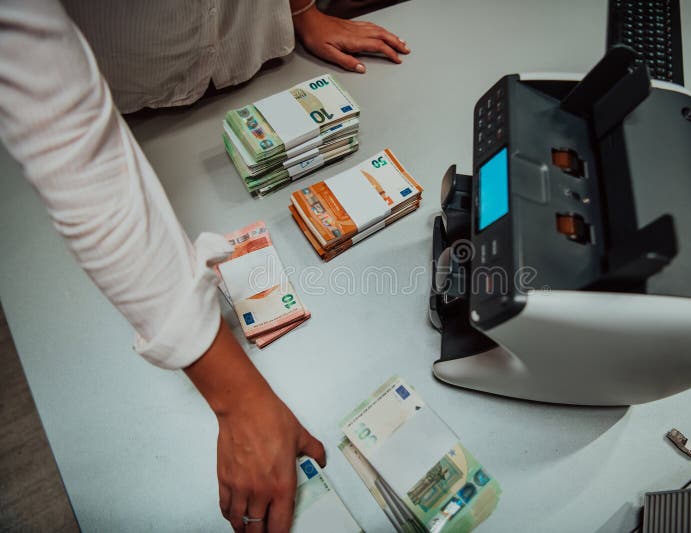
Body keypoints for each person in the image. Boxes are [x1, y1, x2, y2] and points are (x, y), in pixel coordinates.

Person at [0, 0, 408, 531]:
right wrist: (239, 402)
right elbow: (71, 143)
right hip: (130, 100)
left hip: (259, 50)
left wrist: (302, 8)